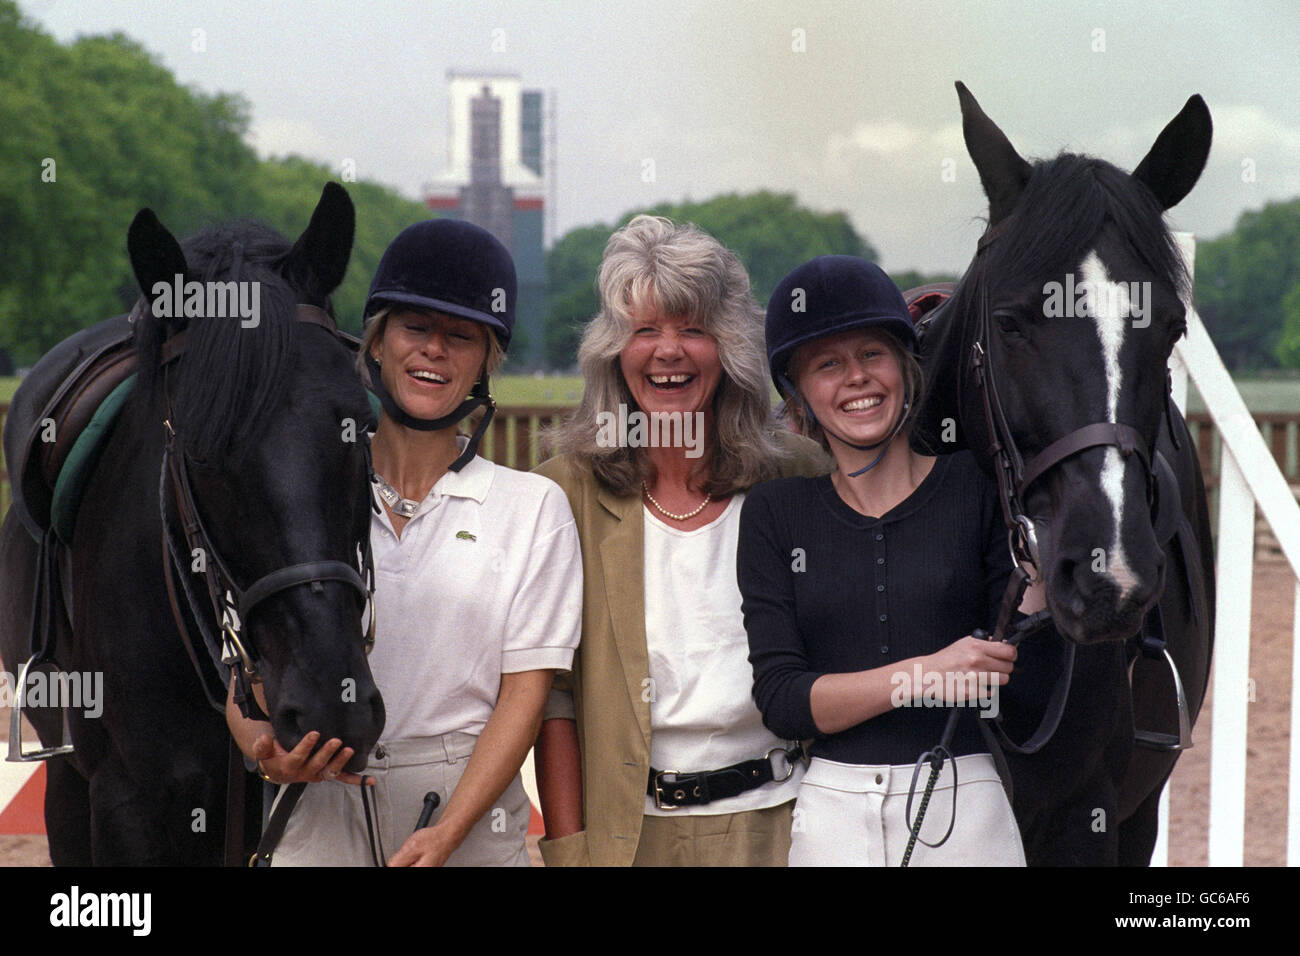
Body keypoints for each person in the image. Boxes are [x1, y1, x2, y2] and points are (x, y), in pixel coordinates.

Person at [226, 219, 582, 866]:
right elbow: (242, 667)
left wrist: (448, 834)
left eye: (461, 336)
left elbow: (523, 700)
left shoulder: (534, 511)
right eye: (416, 328)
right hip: (318, 804)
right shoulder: (302, 495)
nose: (435, 351)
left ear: (485, 360)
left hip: (462, 807)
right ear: (379, 342)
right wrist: (265, 751)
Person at [532, 215, 829, 866]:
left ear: (730, 349)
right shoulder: (563, 493)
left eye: (693, 329)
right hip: (629, 835)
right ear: (614, 351)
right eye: (645, 331)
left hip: (787, 821)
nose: (669, 351)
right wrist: (569, 850)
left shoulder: (799, 475)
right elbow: (553, 695)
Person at [737, 255, 1044, 866]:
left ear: (905, 367)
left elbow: (1016, 676)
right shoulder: (775, 513)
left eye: (872, 354)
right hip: (830, 812)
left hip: (965, 801)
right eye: (828, 364)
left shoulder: (974, 487)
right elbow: (784, 700)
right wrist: (927, 674)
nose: (856, 378)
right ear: (799, 395)